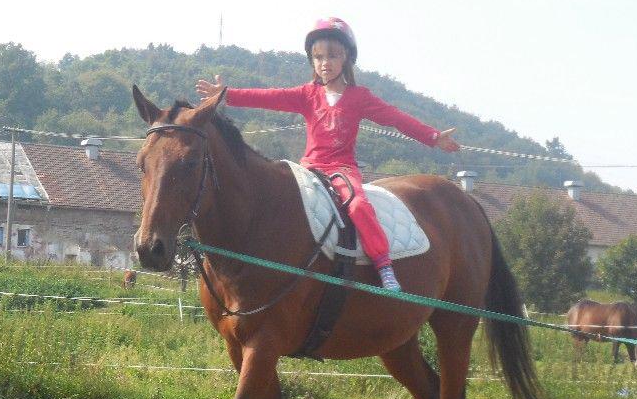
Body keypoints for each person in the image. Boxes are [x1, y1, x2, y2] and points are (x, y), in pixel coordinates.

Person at [195, 17, 459, 292]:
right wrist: (226, 94)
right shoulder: (307, 94)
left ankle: (383, 265)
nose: (324, 63)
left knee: (358, 207)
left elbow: (395, 118)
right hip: (309, 168)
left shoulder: (360, 97)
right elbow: (269, 96)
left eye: (332, 56)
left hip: (342, 169)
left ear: (346, 58)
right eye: (318, 56)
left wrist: (433, 137)